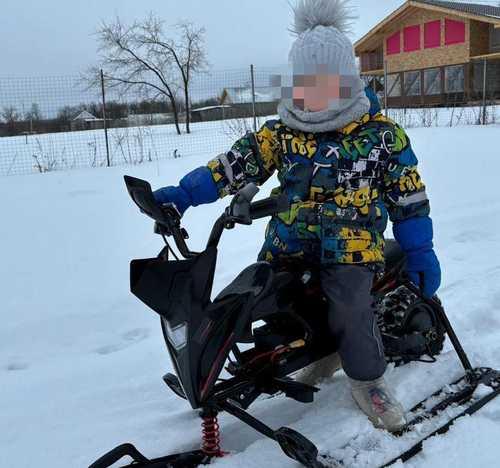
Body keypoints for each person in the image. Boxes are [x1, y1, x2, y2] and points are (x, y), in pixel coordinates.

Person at [152, 0, 441, 433]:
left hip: (351, 251)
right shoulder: (281, 134)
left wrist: (420, 251)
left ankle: (369, 381)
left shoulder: (380, 137)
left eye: (325, 84)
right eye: (305, 84)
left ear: (347, 82)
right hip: (287, 245)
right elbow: (234, 165)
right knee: (259, 296)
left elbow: (409, 199)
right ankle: (291, 355)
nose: (313, 94)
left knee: (349, 308)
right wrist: (183, 196)